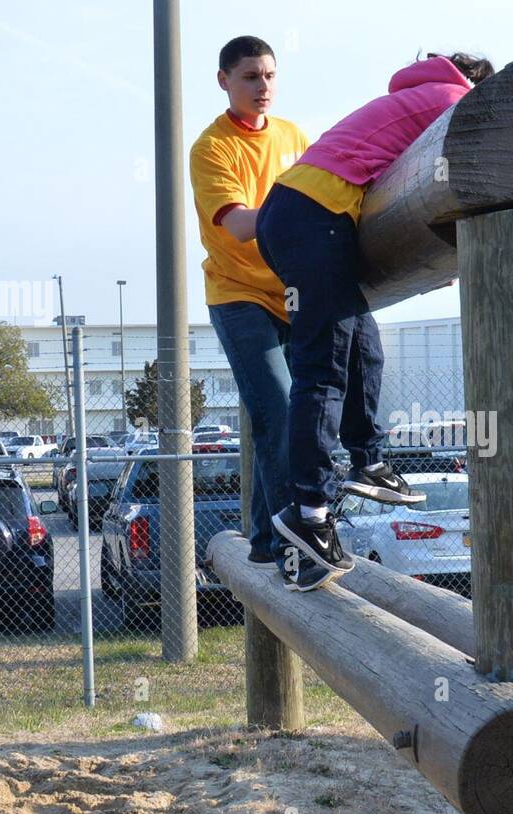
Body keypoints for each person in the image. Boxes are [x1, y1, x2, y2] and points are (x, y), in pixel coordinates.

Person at [258, 52, 494, 580]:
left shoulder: (412, 97)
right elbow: (448, 177)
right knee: (323, 370)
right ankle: (310, 512)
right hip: (312, 219)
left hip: (299, 215)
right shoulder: (457, 101)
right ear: (480, 86)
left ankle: (368, 460)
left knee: (363, 350)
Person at [189, 36, 331, 591]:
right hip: (238, 293)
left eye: (270, 75)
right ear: (223, 80)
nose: (263, 86)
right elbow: (243, 225)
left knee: (300, 411)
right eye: (250, 76)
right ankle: (291, 545)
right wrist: (301, 218)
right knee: (276, 409)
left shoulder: (294, 137)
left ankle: (264, 534)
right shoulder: (212, 149)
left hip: (292, 291)